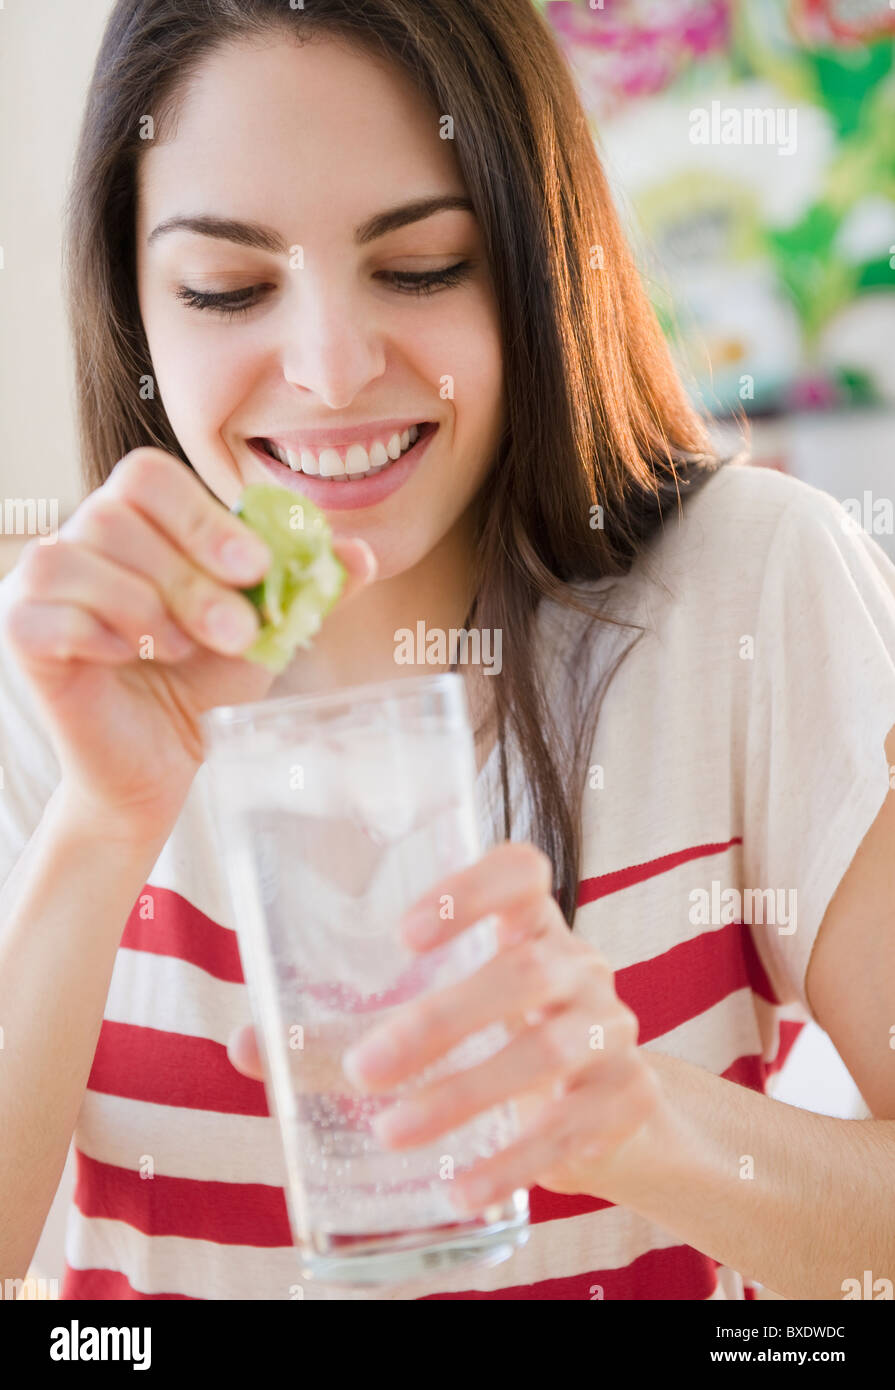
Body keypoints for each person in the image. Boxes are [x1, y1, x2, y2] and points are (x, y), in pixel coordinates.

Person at [2, 0, 894, 1302]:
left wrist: (640, 1124)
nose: (328, 369)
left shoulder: (754, 591)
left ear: (537, 262)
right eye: (228, 287)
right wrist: (102, 819)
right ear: (135, 306)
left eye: (420, 264)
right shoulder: (50, 665)